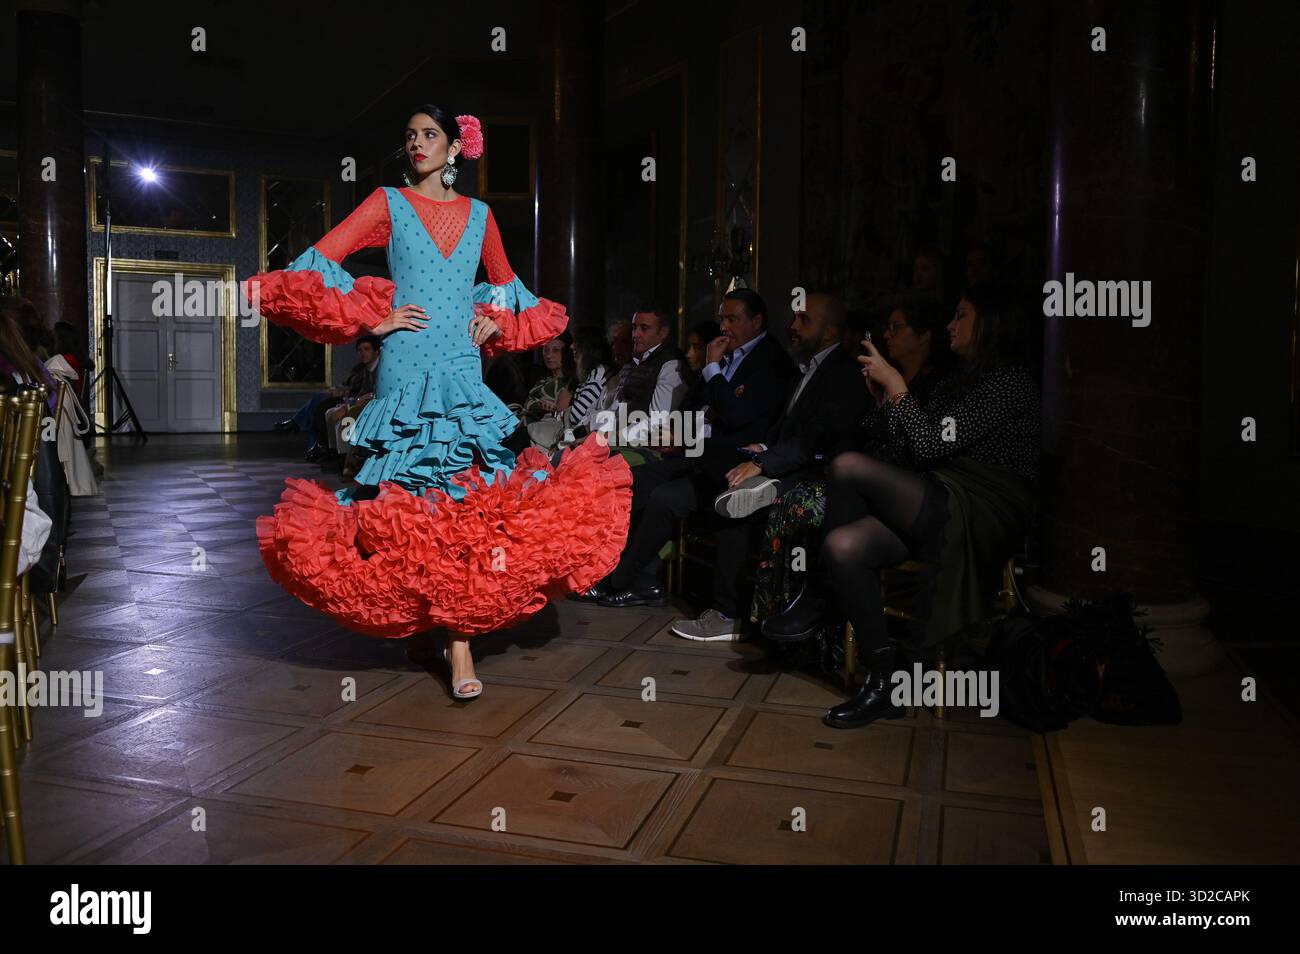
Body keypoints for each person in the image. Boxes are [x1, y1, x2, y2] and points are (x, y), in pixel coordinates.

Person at [247, 106, 632, 701]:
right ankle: (427, 621)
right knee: (409, 498)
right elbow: (318, 261)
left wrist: (488, 318)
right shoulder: (388, 202)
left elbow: (506, 286)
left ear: (456, 147)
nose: (417, 144)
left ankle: (459, 642)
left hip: (459, 365)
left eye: (429, 135)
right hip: (405, 361)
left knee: (466, 496)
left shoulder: (480, 215)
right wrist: (377, 316)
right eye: (410, 136)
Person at [763, 285, 1040, 729]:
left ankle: (819, 597)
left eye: (962, 316)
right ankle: (886, 679)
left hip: (983, 506)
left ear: (991, 325)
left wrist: (897, 388)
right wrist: (884, 401)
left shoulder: (1010, 383)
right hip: (939, 493)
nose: (951, 325)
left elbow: (932, 445)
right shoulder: (957, 380)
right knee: (843, 545)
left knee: (848, 466)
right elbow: (908, 453)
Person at [748, 291, 950, 632]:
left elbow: (923, 450)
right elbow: (875, 440)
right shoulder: (889, 379)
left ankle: (820, 611)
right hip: (873, 490)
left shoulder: (937, 384)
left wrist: (896, 394)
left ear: (924, 336)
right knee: (808, 497)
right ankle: (788, 616)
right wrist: (881, 400)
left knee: (813, 491)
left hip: (914, 497)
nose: (886, 336)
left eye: (897, 328)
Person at [669, 293, 867, 641]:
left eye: (804, 320)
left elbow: (816, 439)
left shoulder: (843, 373)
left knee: (732, 497)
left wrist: (763, 461)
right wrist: (762, 448)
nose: (792, 326)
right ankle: (730, 608)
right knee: (723, 475)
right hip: (784, 458)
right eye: (794, 318)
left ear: (830, 330)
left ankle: (731, 613)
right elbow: (785, 427)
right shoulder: (807, 367)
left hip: (819, 474)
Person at [583, 288, 797, 607]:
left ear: (757, 320)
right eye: (722, 318)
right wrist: (710, 408)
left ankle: (624, 580)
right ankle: (637, 577)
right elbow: (691, 410)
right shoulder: (728, 354)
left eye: (733, 319)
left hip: (733, 463)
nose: (724, 327)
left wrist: (712, 371)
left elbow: (736, 415)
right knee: (633, 481)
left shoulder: (770, 360)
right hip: (698, 452)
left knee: (662, 497)